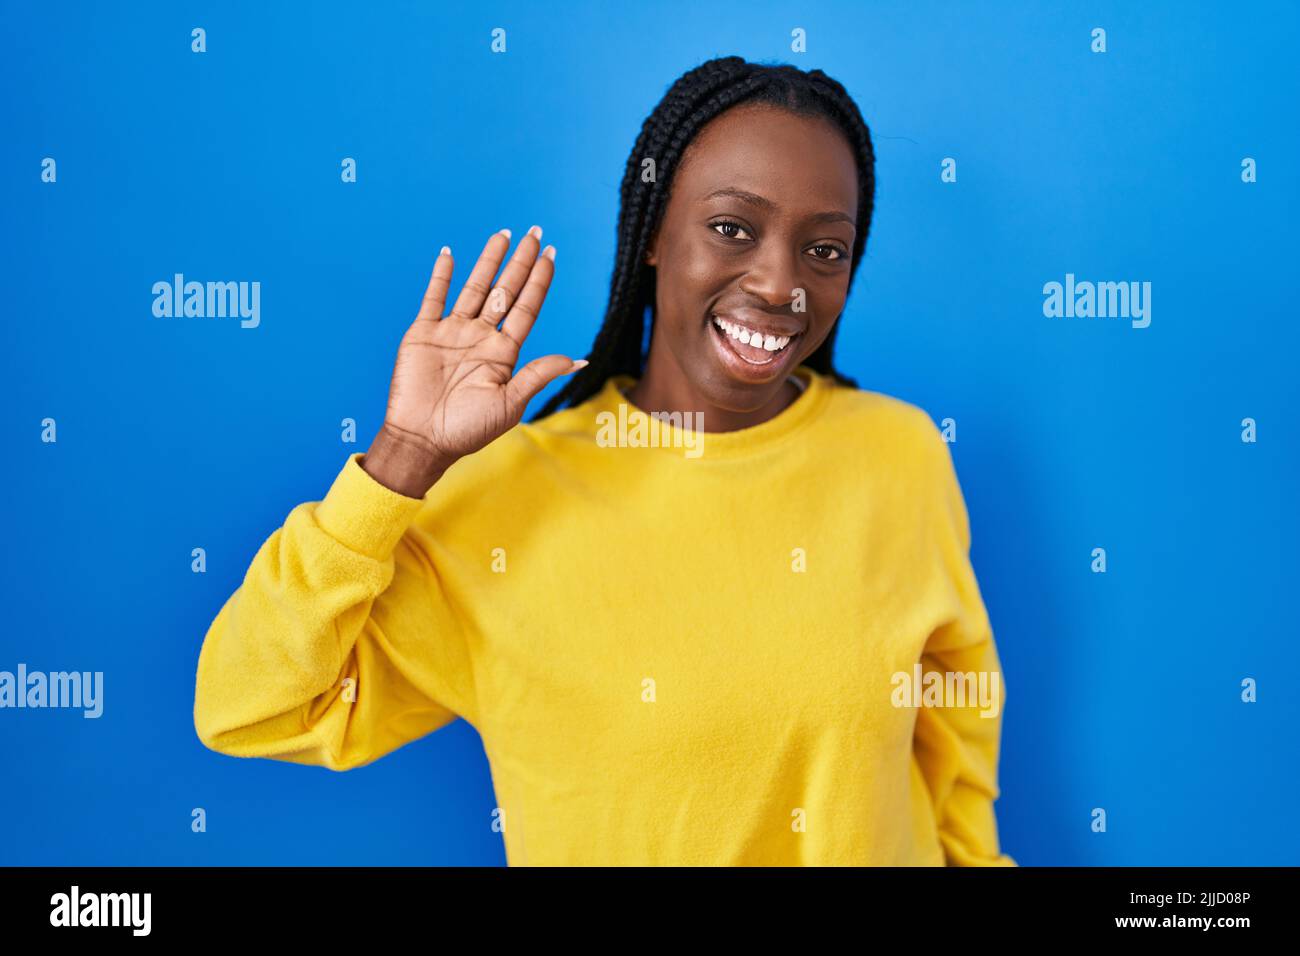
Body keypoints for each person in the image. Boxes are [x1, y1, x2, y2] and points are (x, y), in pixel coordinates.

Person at [193, 55, 1015, 867]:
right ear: (653, 234)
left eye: (825, 250)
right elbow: (248, 709)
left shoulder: (898, 454)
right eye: (732, 228)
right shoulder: (502, 499)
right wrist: (402, 459)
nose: (779, 284)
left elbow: (957, 738)